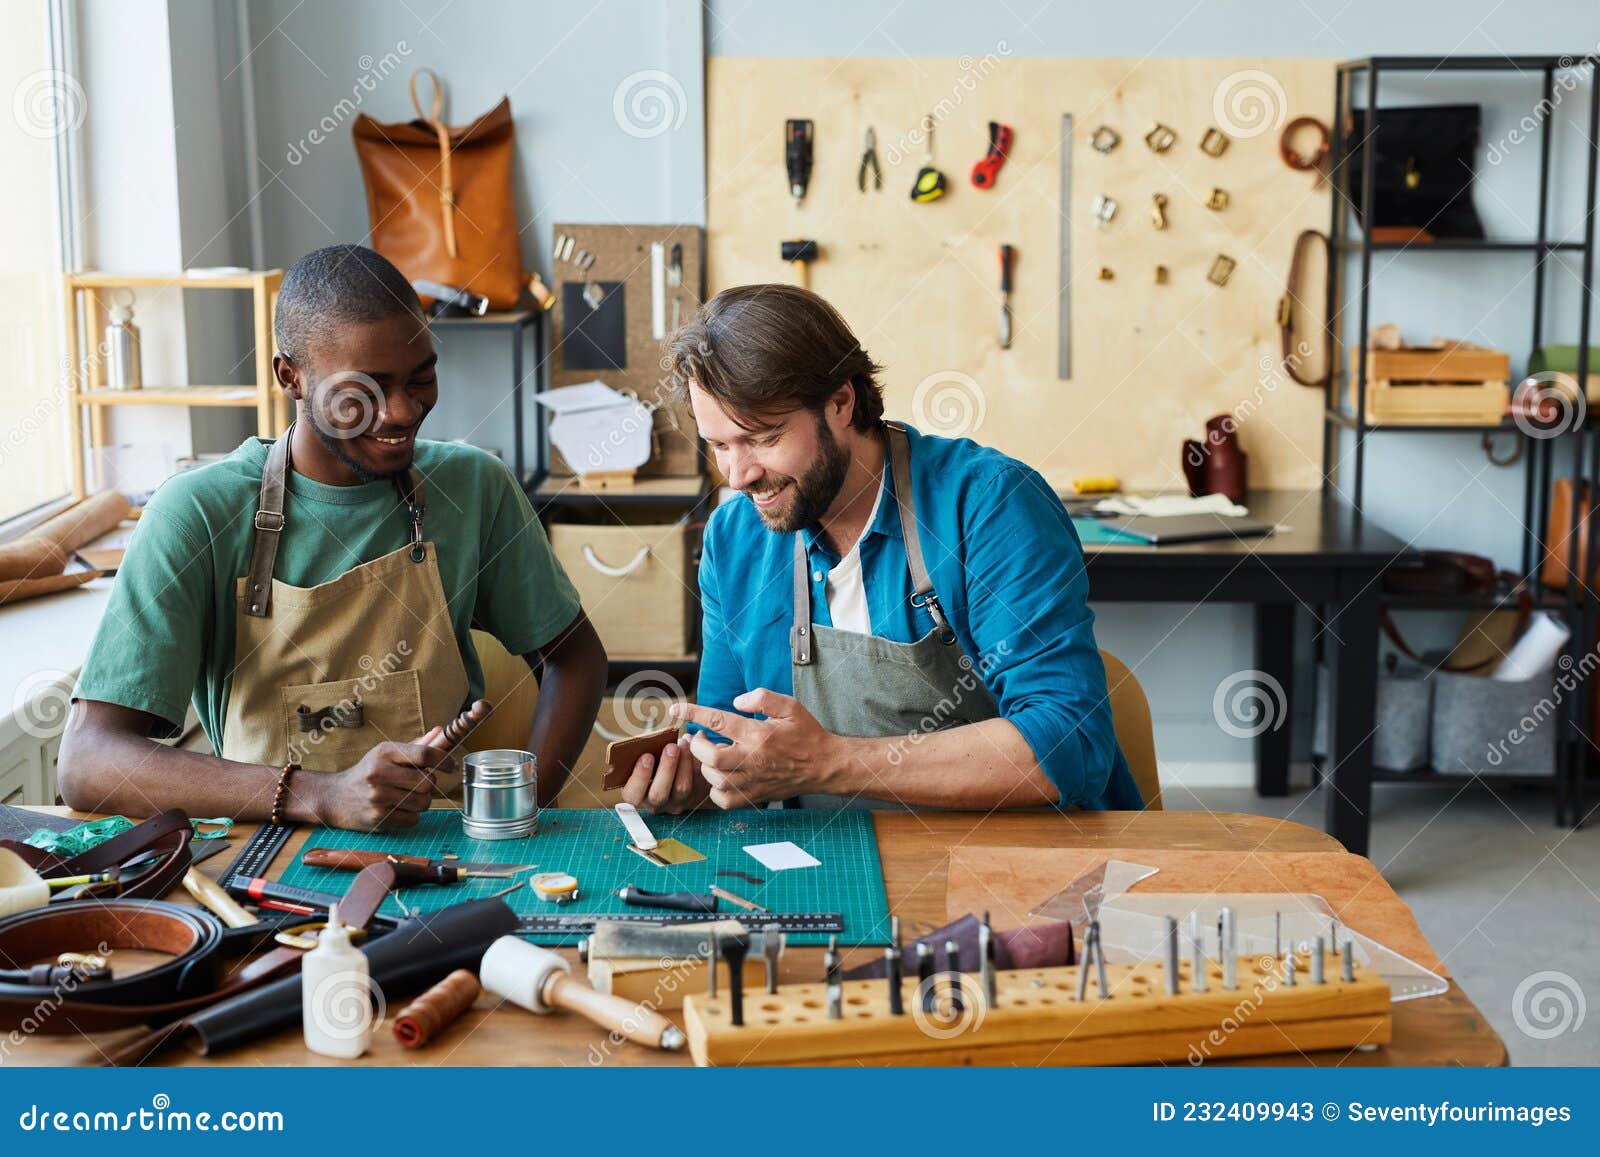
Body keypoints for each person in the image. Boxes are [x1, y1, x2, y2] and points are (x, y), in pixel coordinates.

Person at [59, 245, 608, 830]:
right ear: (290, 376)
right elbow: (88, 763)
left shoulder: (474, 489)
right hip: (269, 849)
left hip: (445, 845)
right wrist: (320, 794)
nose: (400, 412)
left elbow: (576, 659)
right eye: (363, 391)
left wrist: (523, 811)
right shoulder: (196, 515)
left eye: (421, 378)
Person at [621, 284, 1142, 813]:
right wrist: (698, 781)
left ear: (841, 403)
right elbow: (730, 741)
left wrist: (831, 763)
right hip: (834, 863)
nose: (740, 474)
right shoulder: (735, 538)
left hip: (1018, 858)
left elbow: (1071, 741)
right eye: (719, 445)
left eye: (763, 437)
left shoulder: (989, 505)